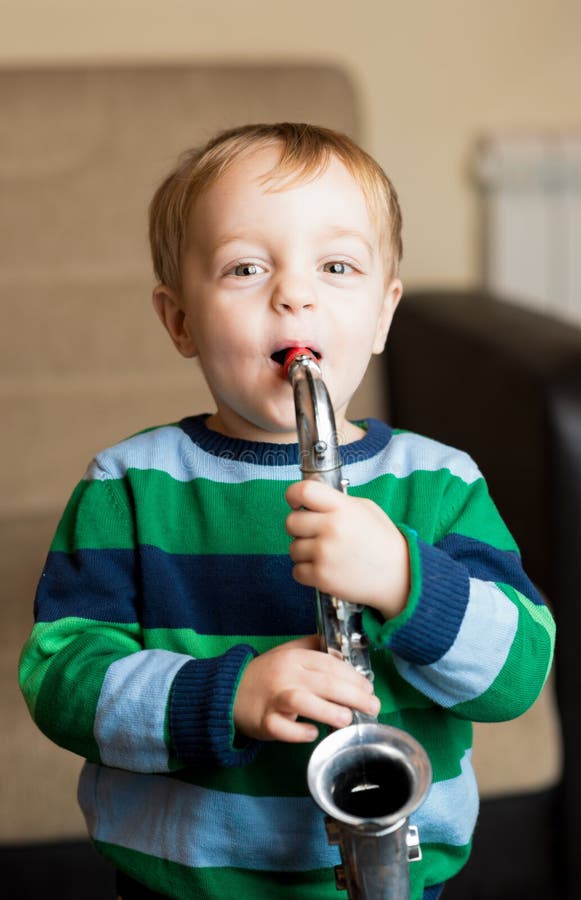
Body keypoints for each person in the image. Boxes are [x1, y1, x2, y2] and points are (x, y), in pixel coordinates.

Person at [19, 123, 555, 900]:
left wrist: (409, 582)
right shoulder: (125, 484)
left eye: (336, 266)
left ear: (382, 314)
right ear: (179, 321)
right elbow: (62, 679)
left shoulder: (441, 481)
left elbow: (515, 678)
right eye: (244, 268)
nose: (293, 294)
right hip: (180, 885)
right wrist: (226, 697)